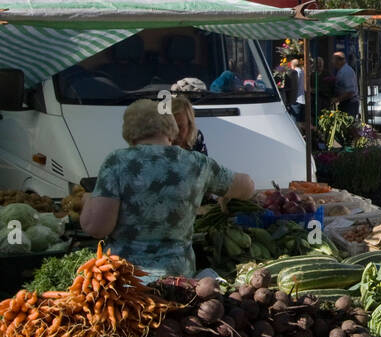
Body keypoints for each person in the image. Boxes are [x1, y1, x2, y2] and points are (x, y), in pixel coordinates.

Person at [79, 99, 255, 276]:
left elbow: (97, 228)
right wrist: (227, 195)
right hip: (177, 277)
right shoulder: (196, 163)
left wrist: (88, 201)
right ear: (170, 127)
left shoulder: (117, 162)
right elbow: (247, 187)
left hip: (125, 279)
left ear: (128, 130)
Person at [330, 51, 358, 116]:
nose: (332, 62)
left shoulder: (346, 72)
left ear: (339, 61)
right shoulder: (340, 71)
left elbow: (350, 92)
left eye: (333, 60)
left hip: (349, 105)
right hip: (345, 103)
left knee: (348, 124)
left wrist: (337, 99)